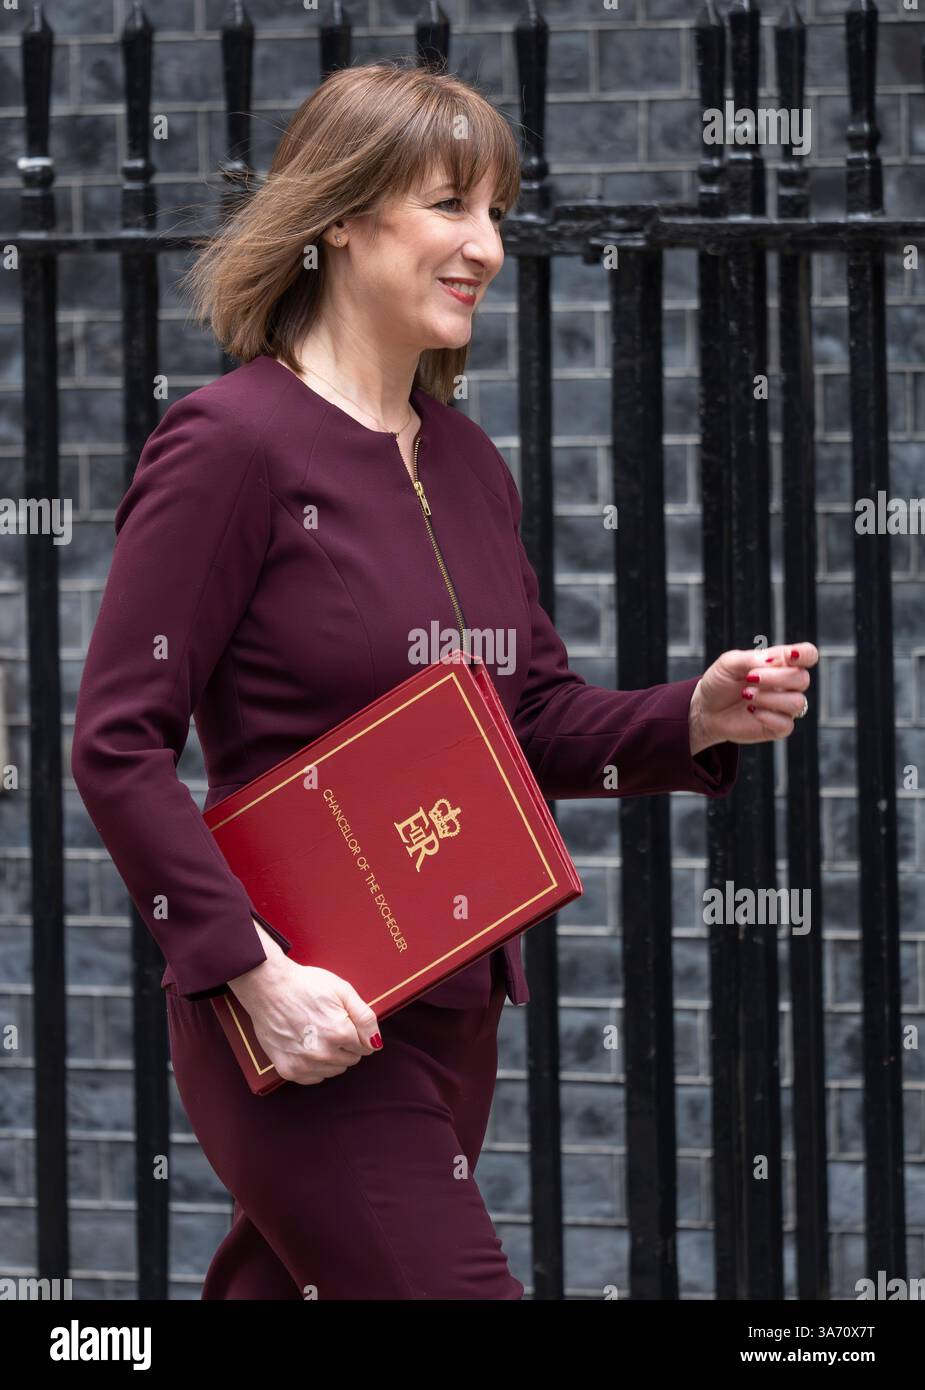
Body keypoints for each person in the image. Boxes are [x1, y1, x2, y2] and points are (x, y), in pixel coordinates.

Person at [70, 59, 818, 1300]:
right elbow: (116, 744)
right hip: (305, 1011)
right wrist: (250, 971)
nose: (486, 246)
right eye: (449, 206)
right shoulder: (231, 443)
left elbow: (524, 720)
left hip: (448, 1001)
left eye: (497, 214)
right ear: (340, 217)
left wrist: (694, 712)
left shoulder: (464, 460)